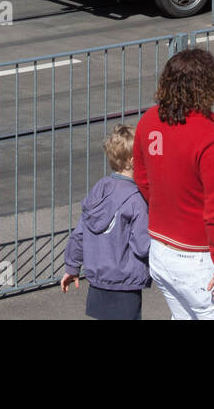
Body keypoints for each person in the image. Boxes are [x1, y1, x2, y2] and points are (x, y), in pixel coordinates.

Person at [132, 49, 214, 320]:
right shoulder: (213, 140)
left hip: (159, 249)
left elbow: (143, 181)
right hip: (197, 260)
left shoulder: (149, 119)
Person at [60, 125, 151, 320]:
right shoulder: (136, 199)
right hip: (125, 283)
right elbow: (143, 246)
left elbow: (80, 233)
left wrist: (72, 266)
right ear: (135, 161)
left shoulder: (99, 190)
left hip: (98, 281)